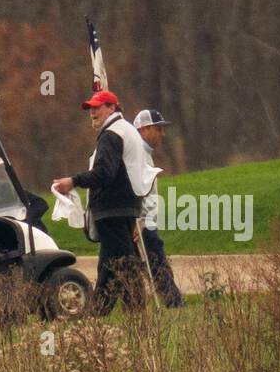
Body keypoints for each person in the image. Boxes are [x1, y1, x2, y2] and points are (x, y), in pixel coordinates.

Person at [53, 90, 155, 315]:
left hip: (112, 211)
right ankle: (96, 317)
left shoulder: (111, 134)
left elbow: (104, 173)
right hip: (126, 208)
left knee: (125, 266)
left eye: (97, 107)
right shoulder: (127, 130)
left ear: (112, 108)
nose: (92, 112)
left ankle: (138, 319)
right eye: (90, 108)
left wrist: (74, 181)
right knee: (109, 268)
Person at [132, 109, 184, 307]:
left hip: (144, 221)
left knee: (142, 266)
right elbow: (137, 190)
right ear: (144, 130)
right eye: (158, 128)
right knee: (157, 264)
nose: (163, 134)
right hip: (142, 223)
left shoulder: (144, 154)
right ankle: (175, 305)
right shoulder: (138, 155)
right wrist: (142, 221)